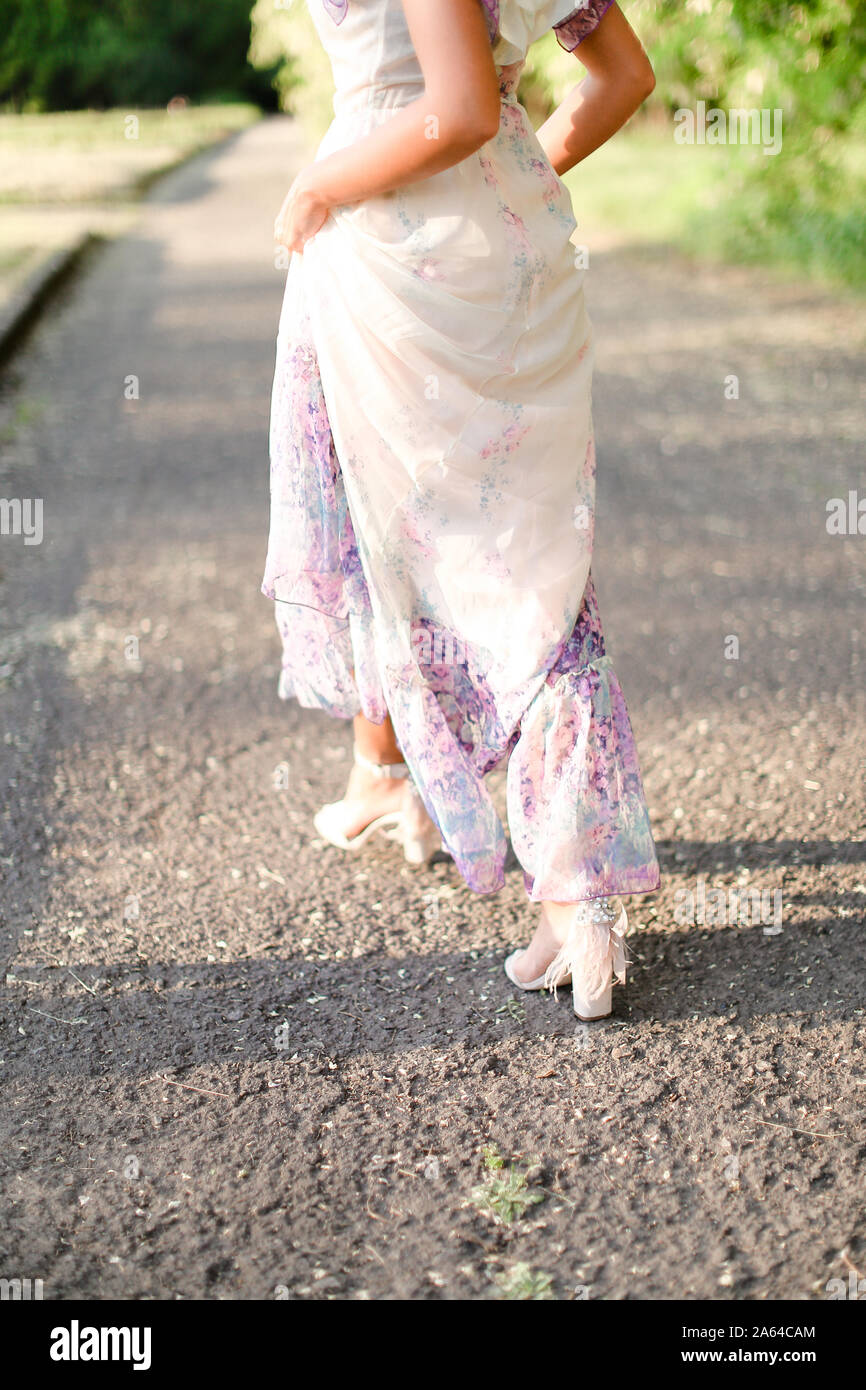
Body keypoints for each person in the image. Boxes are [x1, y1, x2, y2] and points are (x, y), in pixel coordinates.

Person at [265, 0, 660, 1021]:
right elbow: (619, 78)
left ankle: (568, 888)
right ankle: (420, 794)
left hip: (393, 238)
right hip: (494, 238)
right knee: (526, 557)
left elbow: (456, 111)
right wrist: (515, 191)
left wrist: (316, 181)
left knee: (389, 522)